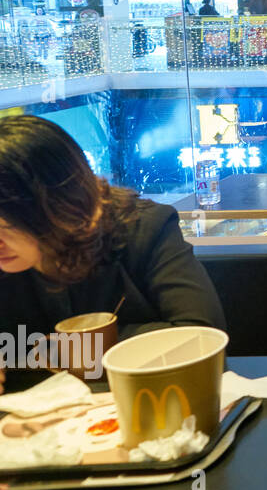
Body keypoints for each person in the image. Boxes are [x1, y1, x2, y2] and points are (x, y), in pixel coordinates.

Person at [0, 116, 226, 391]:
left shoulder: (143, 229)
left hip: (148, 405)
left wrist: (72, 349)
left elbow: (202, 333)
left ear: (58, 205)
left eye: (7, 225)